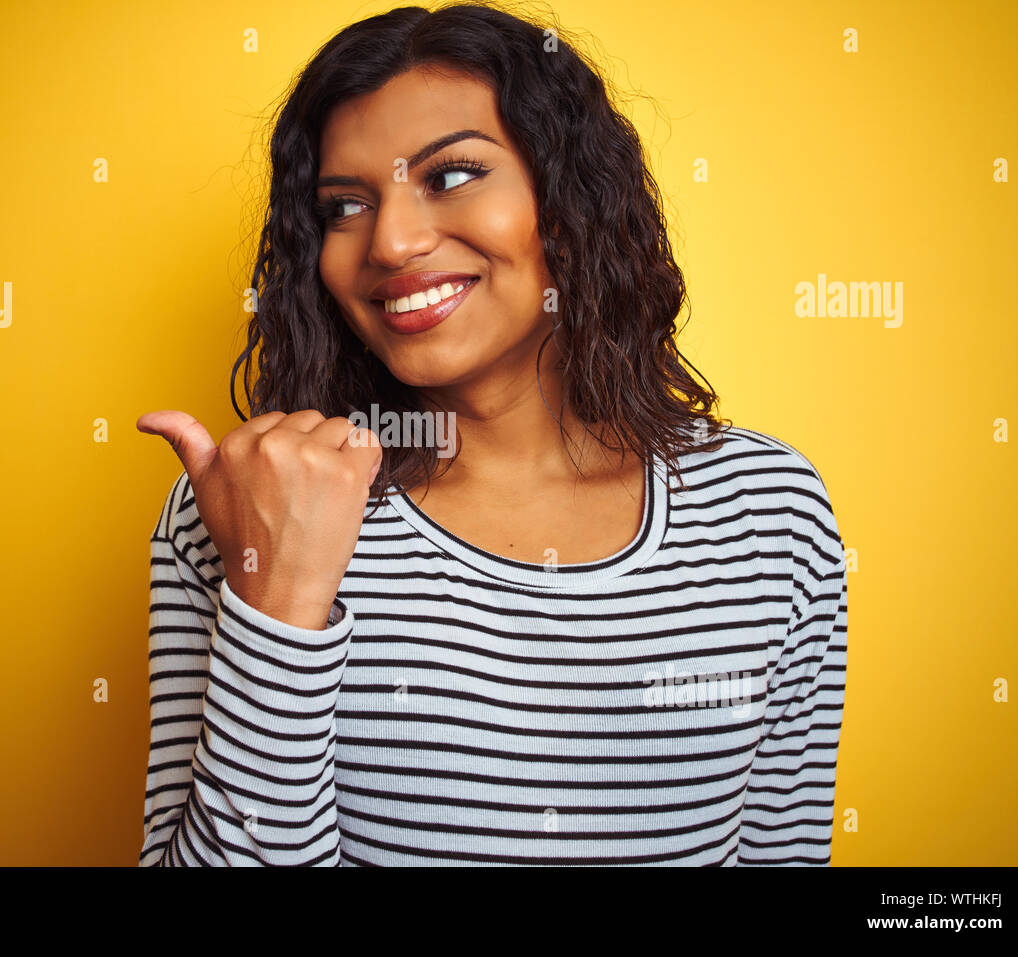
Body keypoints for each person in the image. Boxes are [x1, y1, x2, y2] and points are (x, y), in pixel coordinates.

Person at [136, 1, 847, 866]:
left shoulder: (771, 513)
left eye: (451, 175)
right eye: (345, 205)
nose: (391, 242)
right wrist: (280, 603)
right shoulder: (250, 503)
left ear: (569, 193)